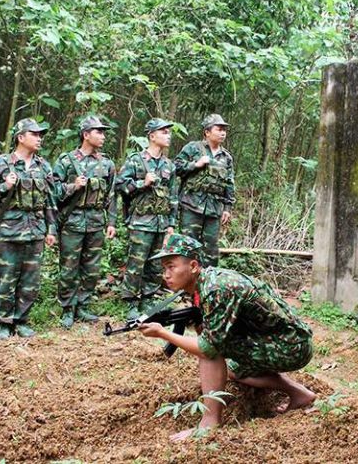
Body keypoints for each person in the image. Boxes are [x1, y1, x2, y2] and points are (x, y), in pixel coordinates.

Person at [139, 234, 315, 441]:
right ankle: (299, 393)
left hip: (292, 346)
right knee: (233, 370)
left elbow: (207, 347)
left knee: (211, 350)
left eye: (171, 267)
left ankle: (209, 423)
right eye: (164, 269)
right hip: (278, 340)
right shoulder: (205, 282)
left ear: (193, 266)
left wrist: (162, 332)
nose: (166, 275)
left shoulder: (216, 289)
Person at [0, 118, 57, 339]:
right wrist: (4, 186)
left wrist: (51, 229)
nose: (39, 138)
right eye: (35, 134)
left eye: (41, 135)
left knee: (30, 280)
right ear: (21, 137)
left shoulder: (43, 166)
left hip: (36, 230)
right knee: (6, 278)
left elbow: (49, 200)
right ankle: (4, 322)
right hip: (9, 231)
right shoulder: (1, 163)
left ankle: (21, 320)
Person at [52, 115, 117, 328]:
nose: (103, 136)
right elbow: (53, 192)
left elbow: (111, 196)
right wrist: (73, 187)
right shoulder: (66, 161)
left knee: (92, 268)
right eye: (98, 132)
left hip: (96, 221)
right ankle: (68, 308)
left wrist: (112, 222)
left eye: (103, 132)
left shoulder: (106, 164)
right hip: (72, 221)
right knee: (69, 266)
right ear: (85, 134)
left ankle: (83, 305)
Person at [115, 118, 178, 314]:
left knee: (155, 263)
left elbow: (173, 196)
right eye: (164, 132)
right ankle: (131, 302)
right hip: (141, 222)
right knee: (136, 263)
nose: (168, 136)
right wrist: (142, 183)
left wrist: (171, 223)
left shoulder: (169, 165)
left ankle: (148, 299)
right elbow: (120, 186)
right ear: (152, 136)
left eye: (169, 132)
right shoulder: (136, 160)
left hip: (160, 222)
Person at [174, 114, 235, 266]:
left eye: (224, 130)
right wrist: (195, 164)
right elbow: (176, 168)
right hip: (191, 206)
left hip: (214, 210)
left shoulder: (226, 157)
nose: (223, 133)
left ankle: (208, 285)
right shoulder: (193, 148)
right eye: (219, 129)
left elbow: (229, 183)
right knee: (187, 247)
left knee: (211, 250)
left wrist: (227, 208)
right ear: (207, 132)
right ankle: (184, 285)